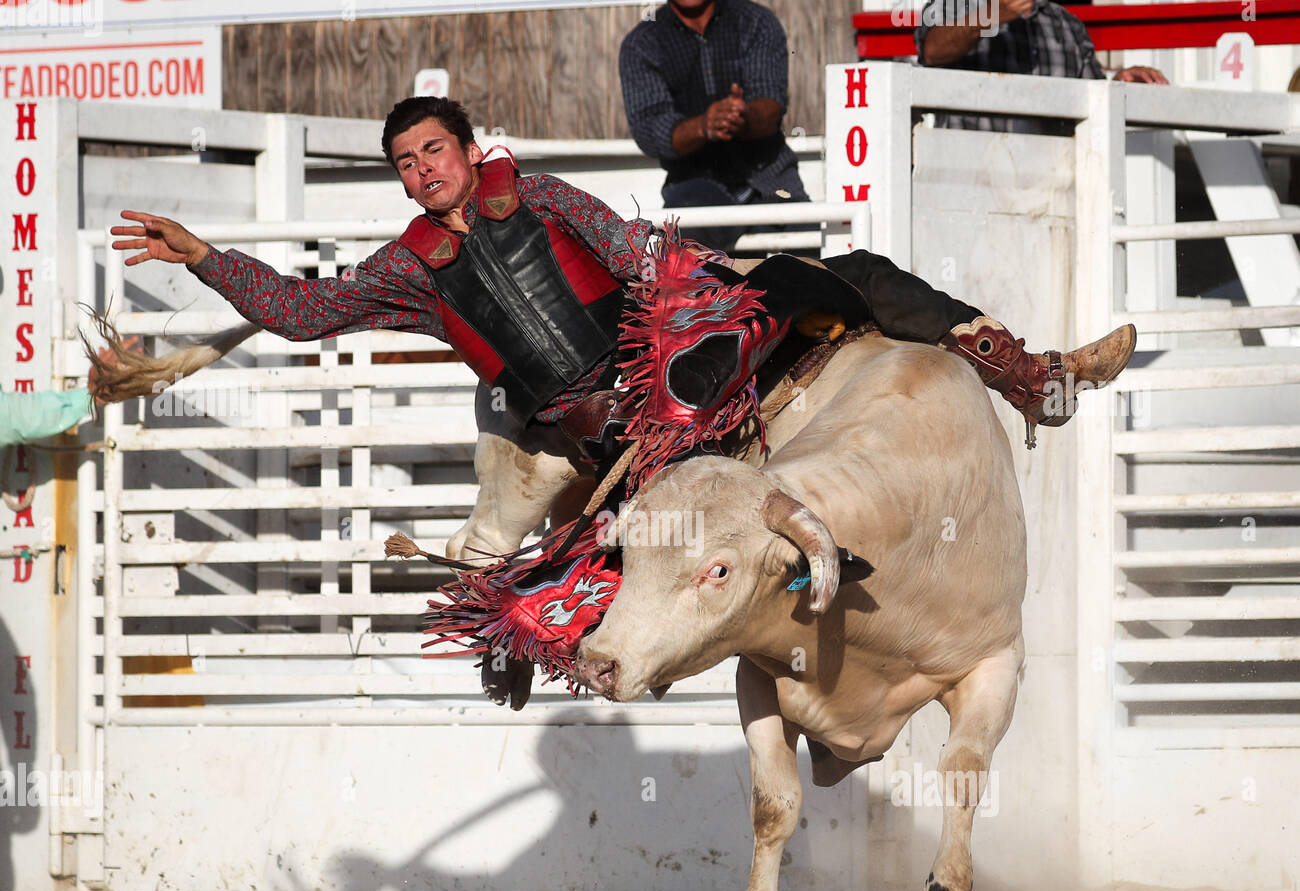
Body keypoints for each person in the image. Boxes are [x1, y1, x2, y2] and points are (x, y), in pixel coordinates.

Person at [106, 95, 1134, 697]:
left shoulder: (537, 196)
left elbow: (629, 247)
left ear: (467, 153)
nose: (422, 172)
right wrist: (202, 254)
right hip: (607, 442)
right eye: (406, 163)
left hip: (679, 374)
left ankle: (1024, 374)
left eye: (434, 152)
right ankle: (526, 643)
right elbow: (296, 312)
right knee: (602, 566)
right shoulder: (408, 269)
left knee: (848, 272)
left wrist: (700, 291)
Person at [620, 0, 808, 252]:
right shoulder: (642, 44)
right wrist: (702, 126)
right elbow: (651, 131)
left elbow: (771, 104)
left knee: (818, 276)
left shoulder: (755, 21)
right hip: (694, 192)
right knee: (680, 261)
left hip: (773, 184)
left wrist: (744, 116)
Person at [916, 0, 1168, 133]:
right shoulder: (955, 6)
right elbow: (932, 51)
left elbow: (1093, 101)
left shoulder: (1067, 24)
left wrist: (1119, 84)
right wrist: (991, 15)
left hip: (1047, 194)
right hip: (970, 186)